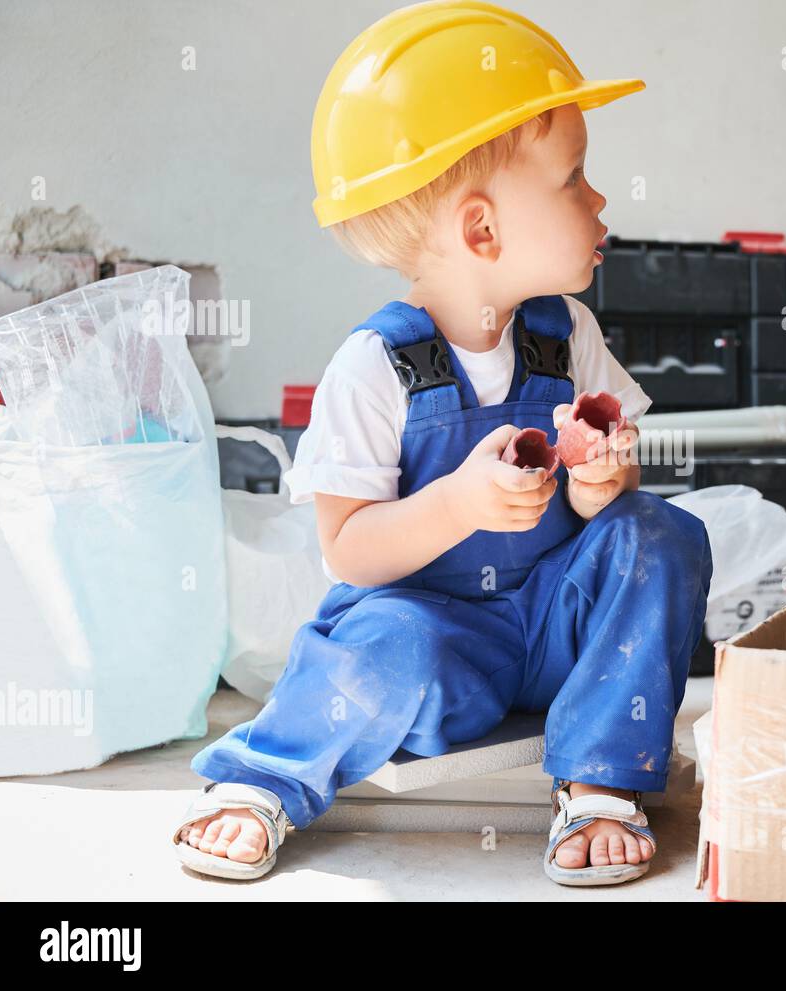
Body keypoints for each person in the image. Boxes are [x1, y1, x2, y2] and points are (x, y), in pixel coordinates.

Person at [171, 0, 712, 887]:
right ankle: (261, 778)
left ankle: (598, 779)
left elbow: (606, 502)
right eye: (575, 179)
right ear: (482, 230)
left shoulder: (565, 334)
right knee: (378, 646)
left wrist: (599, 485)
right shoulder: (375, 369)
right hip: (442, 640)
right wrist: (458, 502)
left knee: (661, 532)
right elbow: (349, 553)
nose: (601, 199)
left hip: (551, 624)